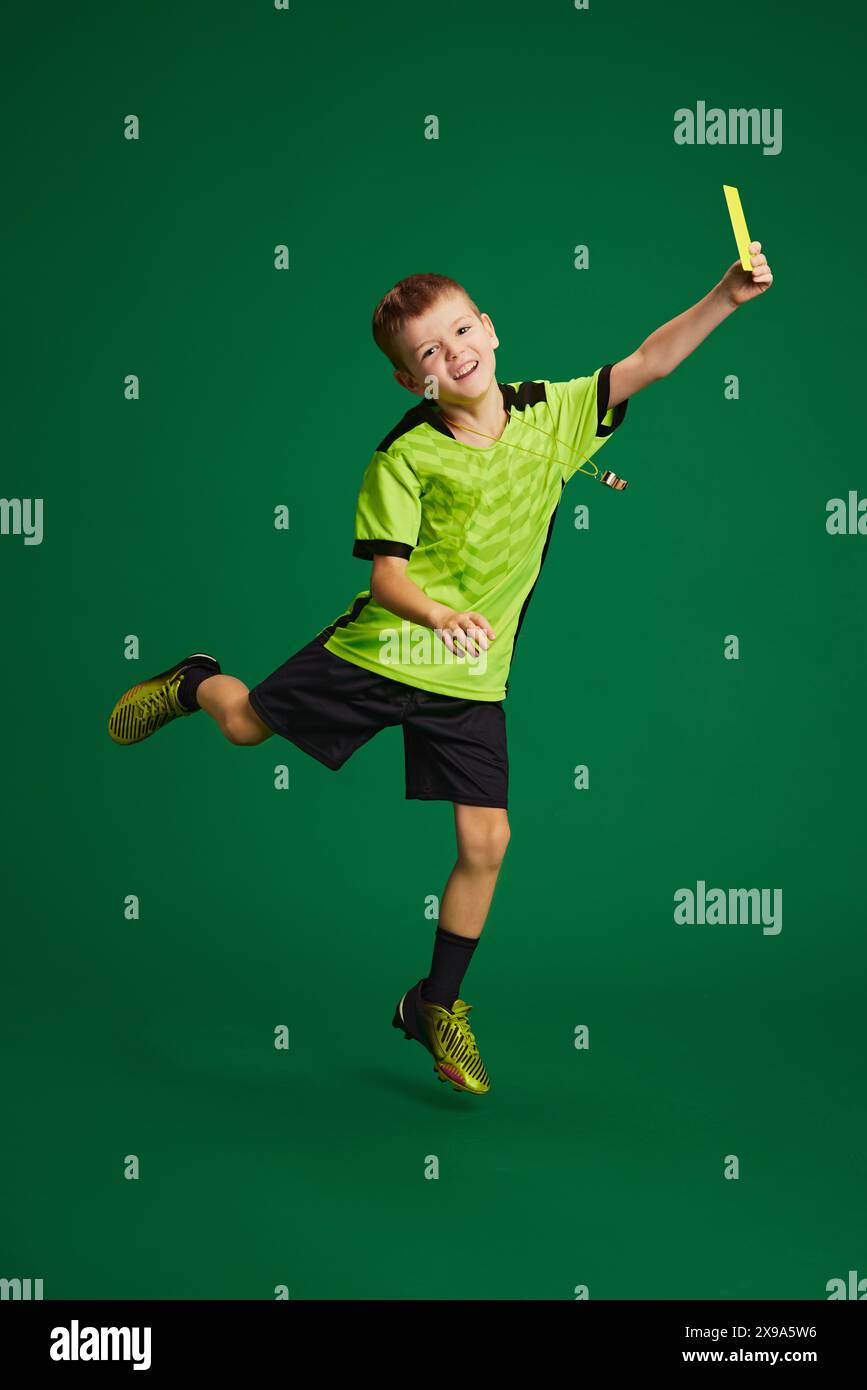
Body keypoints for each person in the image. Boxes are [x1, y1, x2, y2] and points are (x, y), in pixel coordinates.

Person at [107, 247, 773, 1096]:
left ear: (488, 329)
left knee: (485, 841)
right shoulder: (403, 455)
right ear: (409, 380)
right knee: (242, 726)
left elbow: (650, 359)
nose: (453, 352)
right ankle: (195, 674)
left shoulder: (553, 414)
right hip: (385, 650)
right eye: (428, 351)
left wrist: (725, 294)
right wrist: (439, 615)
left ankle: (433, 1005)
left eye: (460, 330)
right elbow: (385, 576)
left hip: (471, 677)